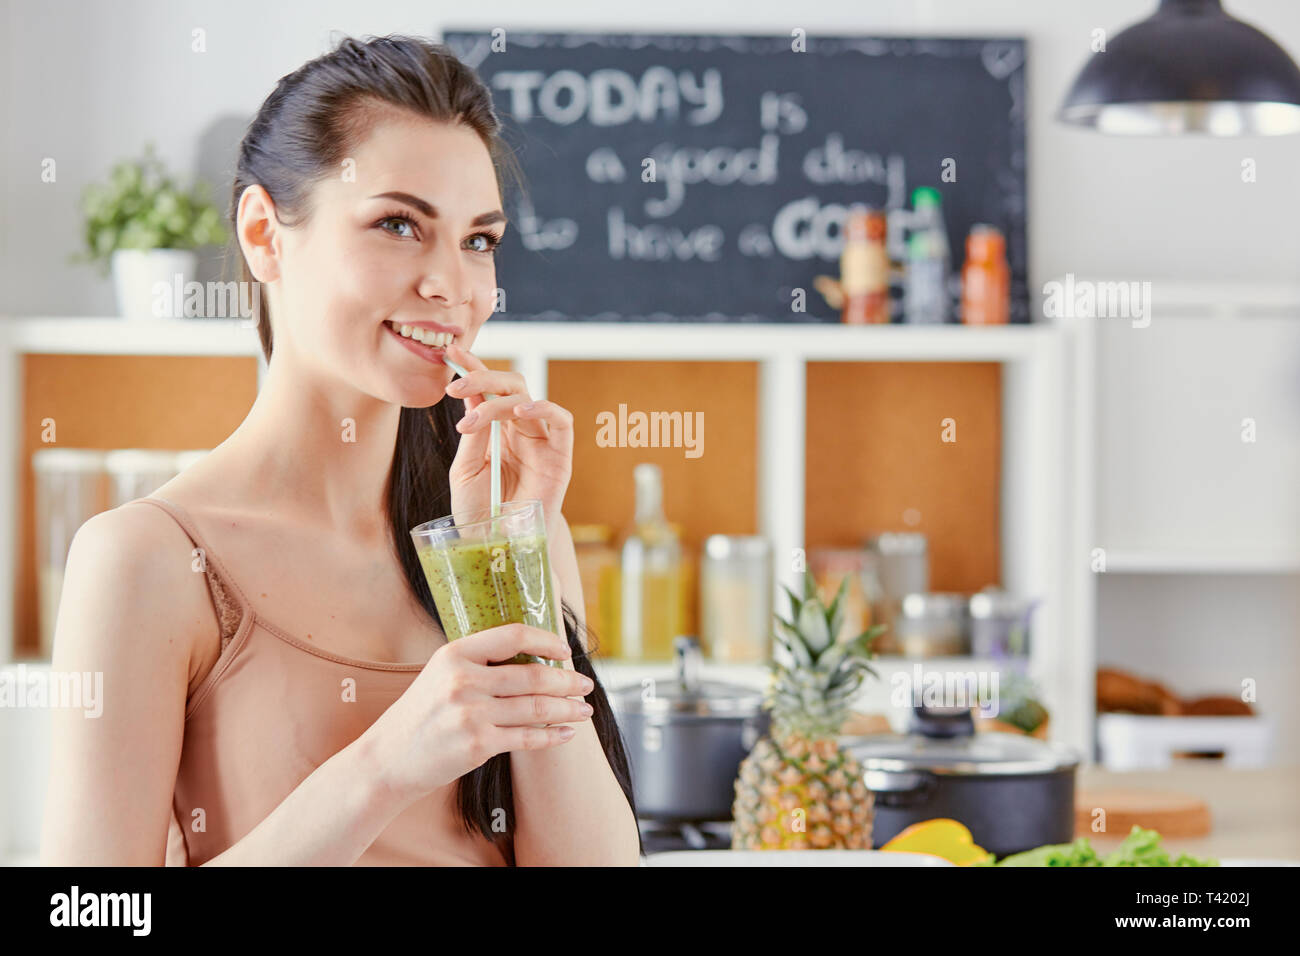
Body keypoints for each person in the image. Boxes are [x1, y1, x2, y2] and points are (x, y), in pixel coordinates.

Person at [40, 34, 642, 866]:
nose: (453, 286)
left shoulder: (505, 536)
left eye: (479, 240)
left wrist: (509, 571)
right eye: (399, 224)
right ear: (264, 233)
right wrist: (387, 764)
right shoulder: (147, 559)